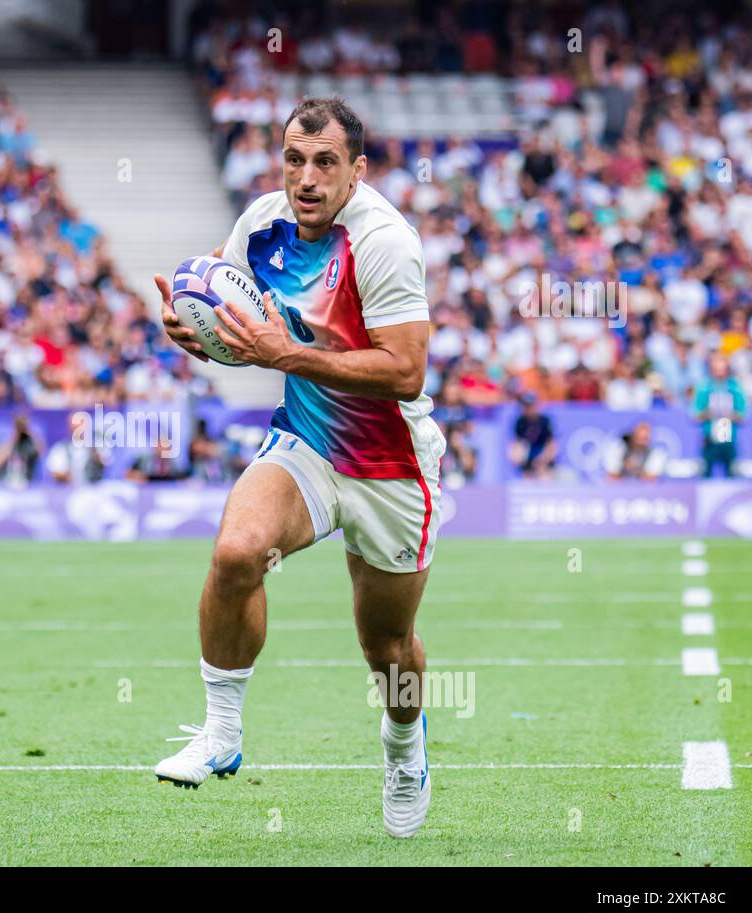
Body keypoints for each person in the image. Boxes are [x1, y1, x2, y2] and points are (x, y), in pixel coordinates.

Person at [152, 96, 444, 838]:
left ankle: (404, 750)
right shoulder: (260, 224)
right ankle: (221, 733)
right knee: (236, 552)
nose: (305, 178)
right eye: (293, 159)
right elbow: (224, 305)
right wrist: (189, 326)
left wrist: (287, 355)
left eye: (324, 162)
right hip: (307, 442)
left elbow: (405, 371)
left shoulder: (384, 243)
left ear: (357, 171)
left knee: (386, 646)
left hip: (390, 465)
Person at [693, 354, 747, 478]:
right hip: (709, 439)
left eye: (722, 369)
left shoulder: (734, 387)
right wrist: (709, 413)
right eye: (716, 370)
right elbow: (695, 415)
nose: (719, 374)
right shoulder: (704, 387)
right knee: (706, 474)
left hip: (729, 439)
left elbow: (743, 415)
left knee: (731, 475)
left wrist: (730, 414)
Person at [509, 394, 558, 478]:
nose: (529, 409)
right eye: (526, 407)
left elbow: (551, 444)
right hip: (528, 454)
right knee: (526, 477)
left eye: (531, 406)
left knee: (545, 477)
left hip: (542, 453)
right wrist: (516, 457)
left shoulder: (544, 421)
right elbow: (517, 443)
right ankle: (527, 471)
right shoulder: (520, 422)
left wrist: (543, 458)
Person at [0, 415, 42, 487]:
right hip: (4, 484)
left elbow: (40, 452)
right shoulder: (7, 444)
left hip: (25, 485)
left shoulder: (29, 445)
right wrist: (13, 440)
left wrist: (29, 434)